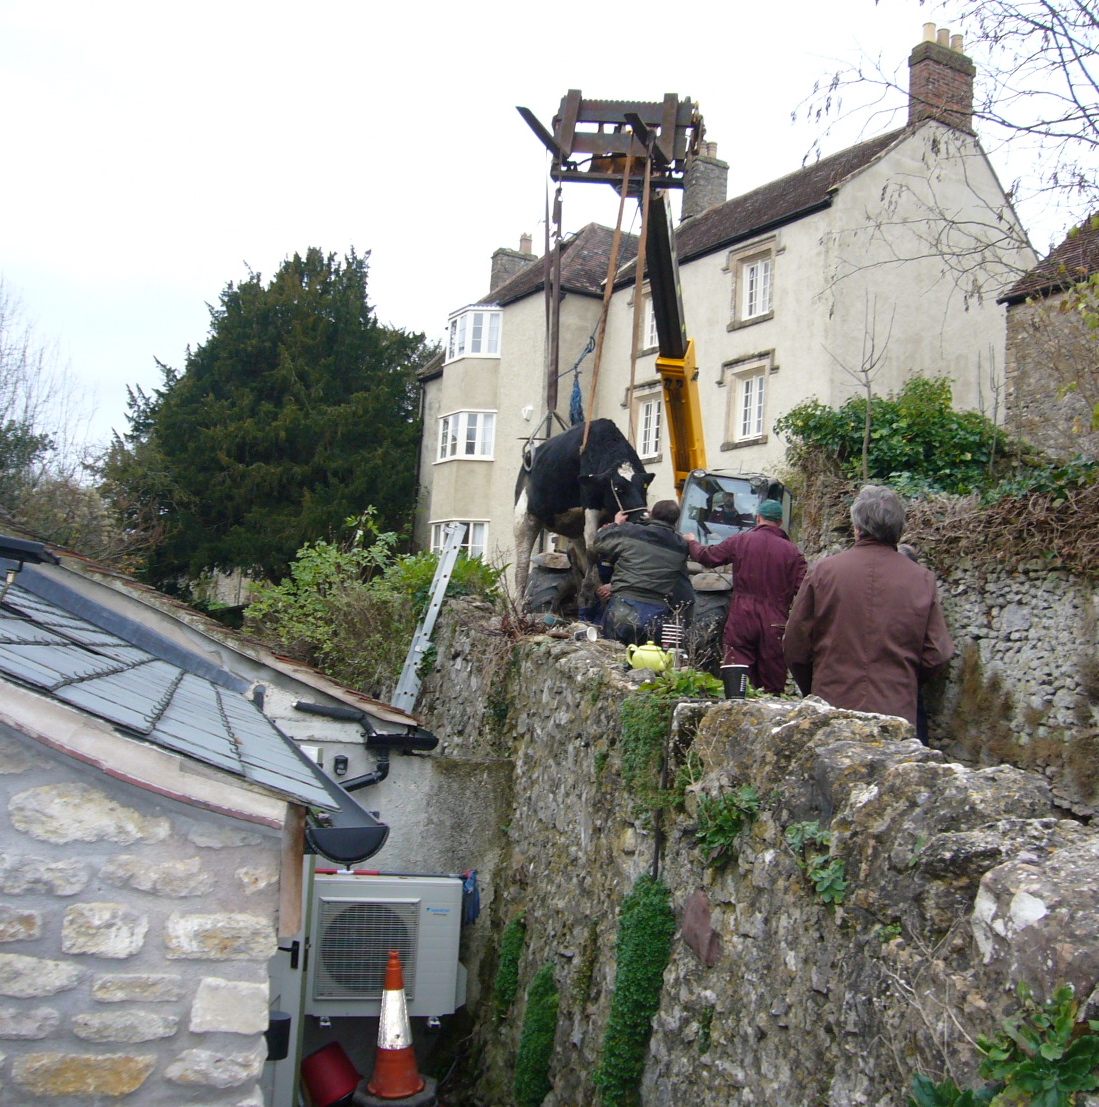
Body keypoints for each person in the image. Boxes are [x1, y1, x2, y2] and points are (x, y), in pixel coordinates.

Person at [783, 485, 954, 727]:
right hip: (896, 711)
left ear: (857, 527)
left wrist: (815, 687)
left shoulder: (825, 571)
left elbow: (795, 645)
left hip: (831, 706)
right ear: (899, 529)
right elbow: (937, 653)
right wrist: (903, 681)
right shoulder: (921, 578)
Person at [684, 499, 807, 694]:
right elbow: (804, 592)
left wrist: (691, 542)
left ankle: (736, 706)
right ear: (781, 522)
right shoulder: (794, 553)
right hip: (775, 621)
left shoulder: (741, 540)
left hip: (742, 617)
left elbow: (707, 557)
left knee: (737, 673)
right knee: (772, 683)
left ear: (758, 518)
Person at [592, 499, 694, 645]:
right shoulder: (681, 545)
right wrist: (690, 542)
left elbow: (599, 543)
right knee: (645, 660)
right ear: (676, 520)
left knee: (611, 656)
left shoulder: (631, 531)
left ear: (651, 514)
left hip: (623, 605)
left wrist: (616, 524)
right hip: (656, 612)